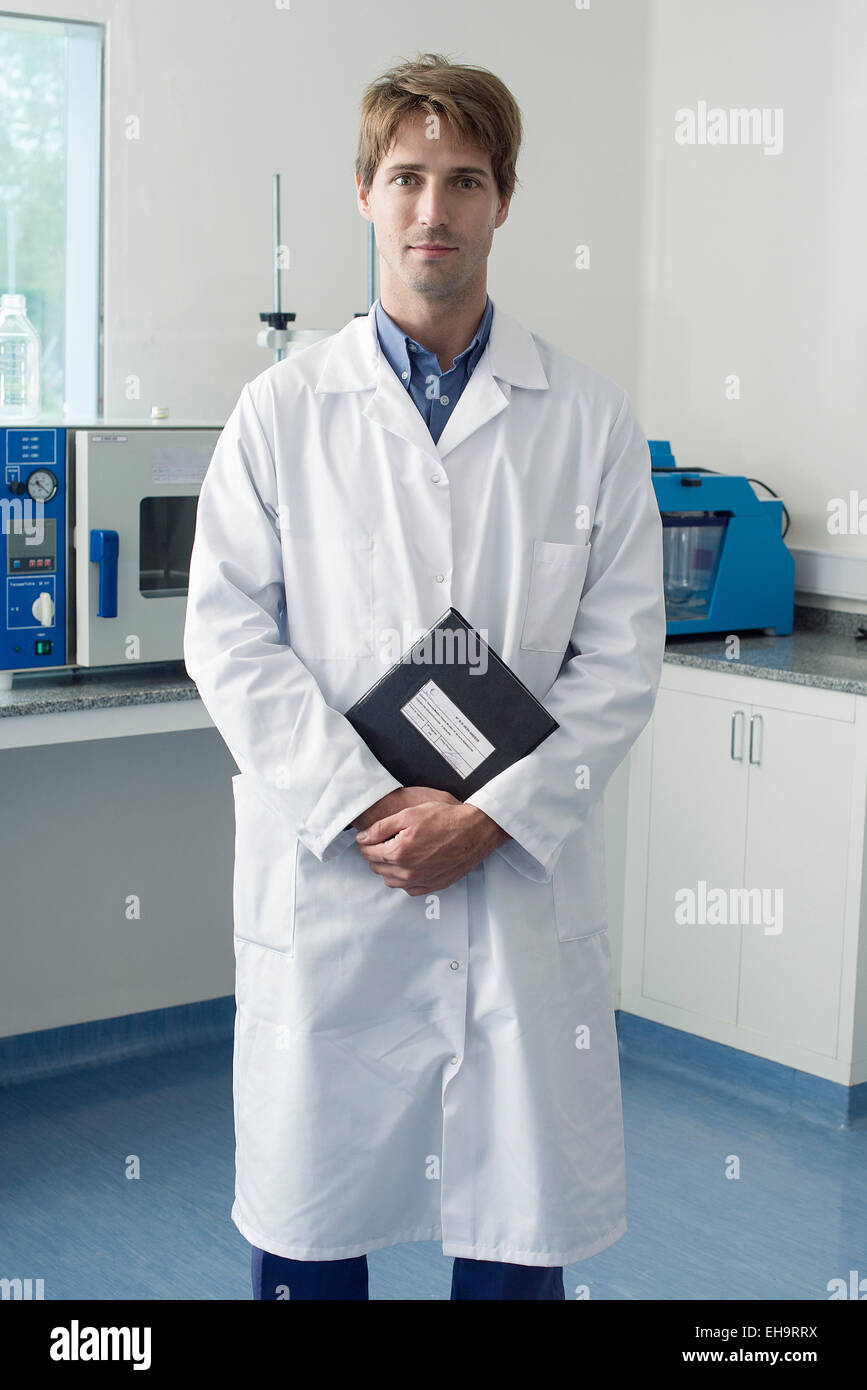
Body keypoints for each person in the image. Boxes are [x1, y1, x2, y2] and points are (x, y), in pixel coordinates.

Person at [183, 51, 666, 1301]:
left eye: (463, 180)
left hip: (511, 884)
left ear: (504, 199)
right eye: (406, 177)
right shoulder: (281, 413)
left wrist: (488, 816)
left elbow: (619, 661)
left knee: (512, 1230)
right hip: (341, 880)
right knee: (311, 1218)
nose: (433, 211)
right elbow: (230, 636)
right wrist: (363, 806)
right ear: (364, 194)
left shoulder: (590, 420)